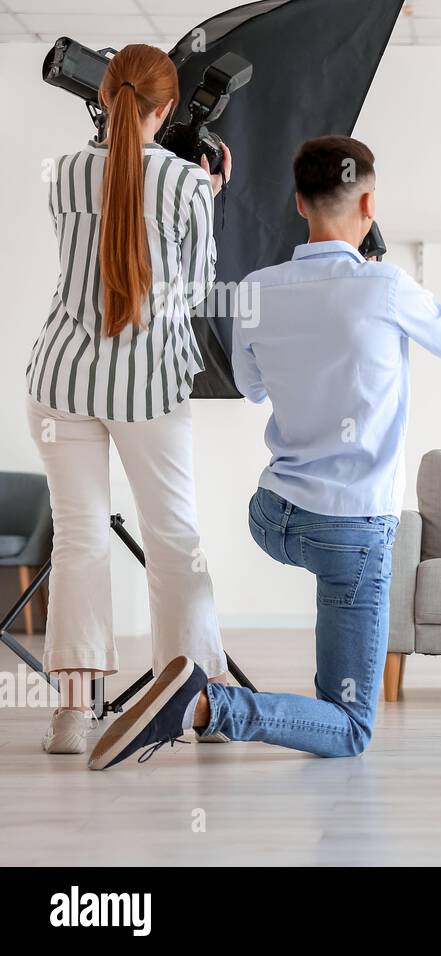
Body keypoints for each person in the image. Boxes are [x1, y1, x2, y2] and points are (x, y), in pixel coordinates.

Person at [87, 135, 441, 769]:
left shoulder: (257, 289)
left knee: (334, 592)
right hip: (351, 532)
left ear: (298, 202)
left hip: (274, 518)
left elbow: (253, 389)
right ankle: (206, 706)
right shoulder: (385, 286)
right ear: (369, 202)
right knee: (349, 728)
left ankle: (198, 693)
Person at [25, 44, 233, 756]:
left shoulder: (62, 175)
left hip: (59, 381)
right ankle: (196, 700)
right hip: (147, 386)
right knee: (177, 545)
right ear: (167, 109)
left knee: (79, 540)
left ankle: (70, 718)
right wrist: (211, 194)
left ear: (104, 97)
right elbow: (198, 291)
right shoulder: (186, 184)